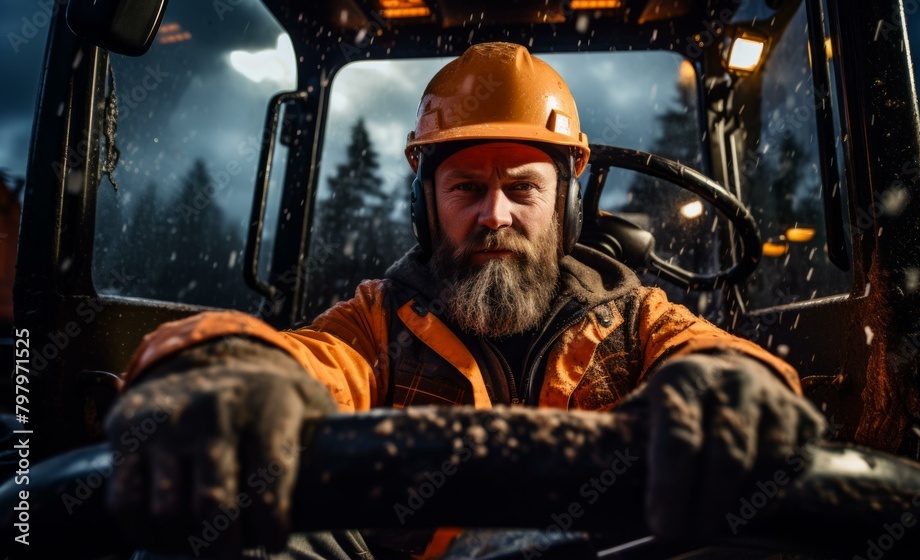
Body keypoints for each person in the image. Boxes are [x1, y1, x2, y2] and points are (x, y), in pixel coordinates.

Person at [105, 42, 826, 559]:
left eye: (522, 188)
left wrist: (730, 387)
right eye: (467, 188)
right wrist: (227, 365)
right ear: (426, 205)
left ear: (566, 207)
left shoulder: (640, 320)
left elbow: (715, 357)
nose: (494, 215)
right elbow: (309, 361)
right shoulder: (377, 323)